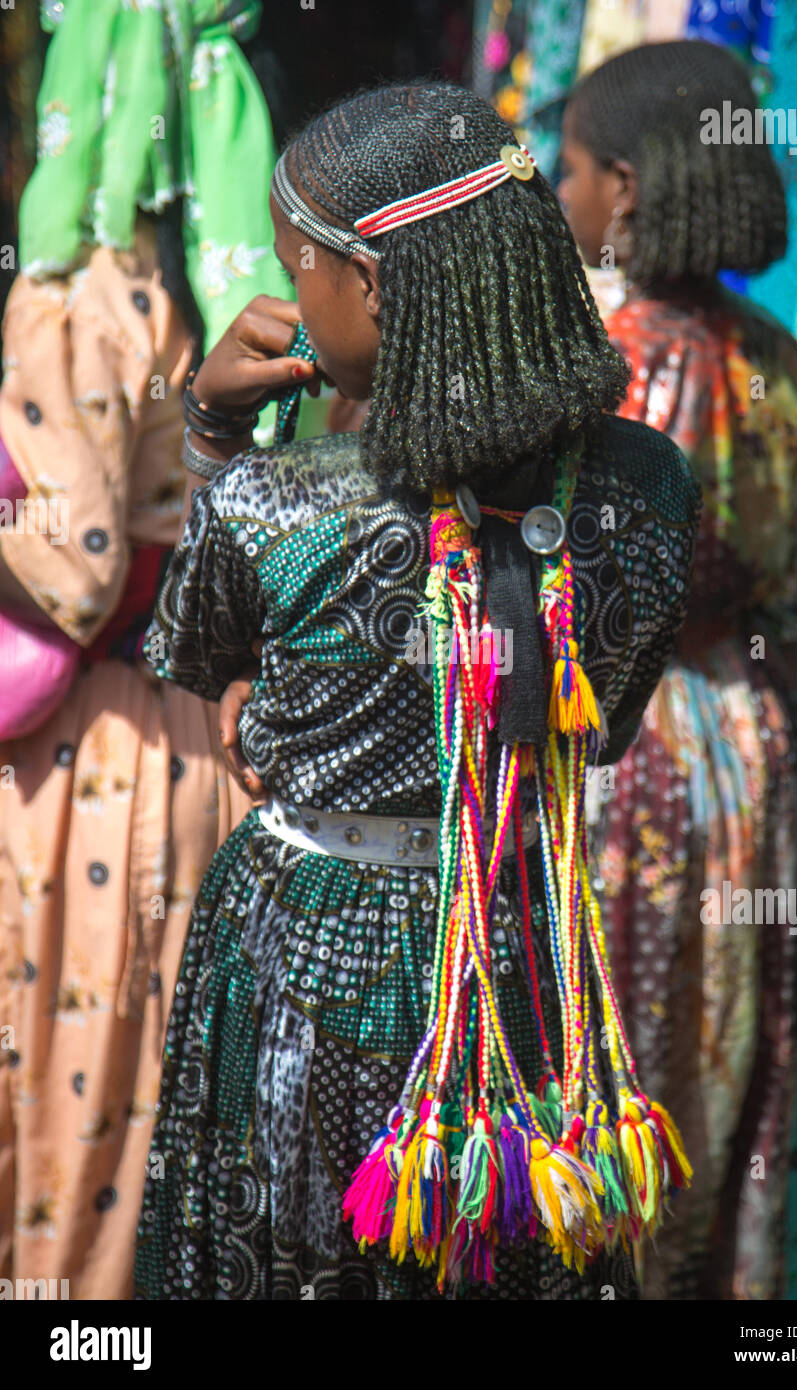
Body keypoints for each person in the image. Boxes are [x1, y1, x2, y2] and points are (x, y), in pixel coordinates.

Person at [132, 80, 702, 1301]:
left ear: (375, 287)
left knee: (287, 1248)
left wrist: (211, 434)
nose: (287, 295)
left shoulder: (275, 501)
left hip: (306, 948)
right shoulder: (653, 489)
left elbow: (189, 651)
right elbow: (597, 736)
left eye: (302, 265)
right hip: (514, 948)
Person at [0, 0, 290, 1298]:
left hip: (86, 769)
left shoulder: (71, 306)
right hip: (184, 745)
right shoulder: (197, 300)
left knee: (70, 1118)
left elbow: (72, 570)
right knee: (144, 1104)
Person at [558, 39, 797, 1299]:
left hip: (622, 761)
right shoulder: (787, 371)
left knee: (598, 1100)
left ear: (621, 185)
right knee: (713, 1099)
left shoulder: (593, 369)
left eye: (564, 169)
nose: (553, 195)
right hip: (750, 766)